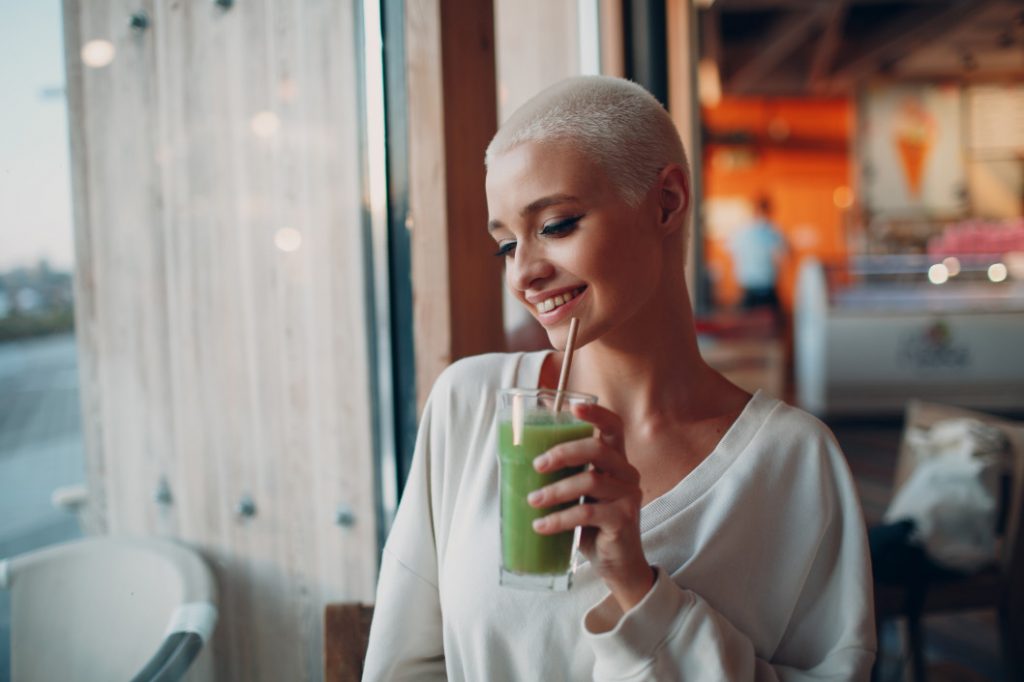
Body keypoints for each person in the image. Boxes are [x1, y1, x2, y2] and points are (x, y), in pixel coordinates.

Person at [363, 76, 875, 681]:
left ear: (667, 202)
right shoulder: (470, 406)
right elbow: (404, 668)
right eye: (506, 246)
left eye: (555, 225)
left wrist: (637, 587)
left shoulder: (794, 460)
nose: (522, 274)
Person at [730, 196, 786, 313]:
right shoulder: (772, 232)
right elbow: (780, 257)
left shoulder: (742, 231)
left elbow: (734, 254)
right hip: (757, 284)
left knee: (750, 320)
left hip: (757, 284)